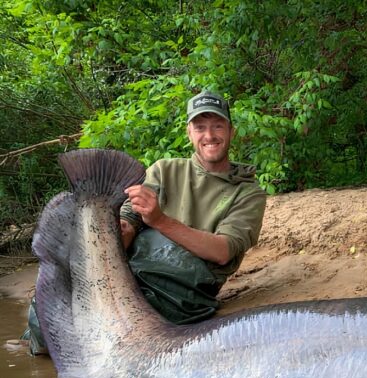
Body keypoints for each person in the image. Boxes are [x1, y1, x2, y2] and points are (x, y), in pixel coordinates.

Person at [18, 90, 267, 354]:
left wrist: (160, 220)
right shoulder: (164, 170)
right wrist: (111, 230)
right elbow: (128, 224)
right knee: (46, 319)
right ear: (189, 133)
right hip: (128, 275)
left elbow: (222, 251)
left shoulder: (248, 193)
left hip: (181, 294)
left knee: (100, 340)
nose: (209, 135)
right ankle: (29, 343)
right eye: (200, 127)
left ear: (231, 131)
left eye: (218, 126)